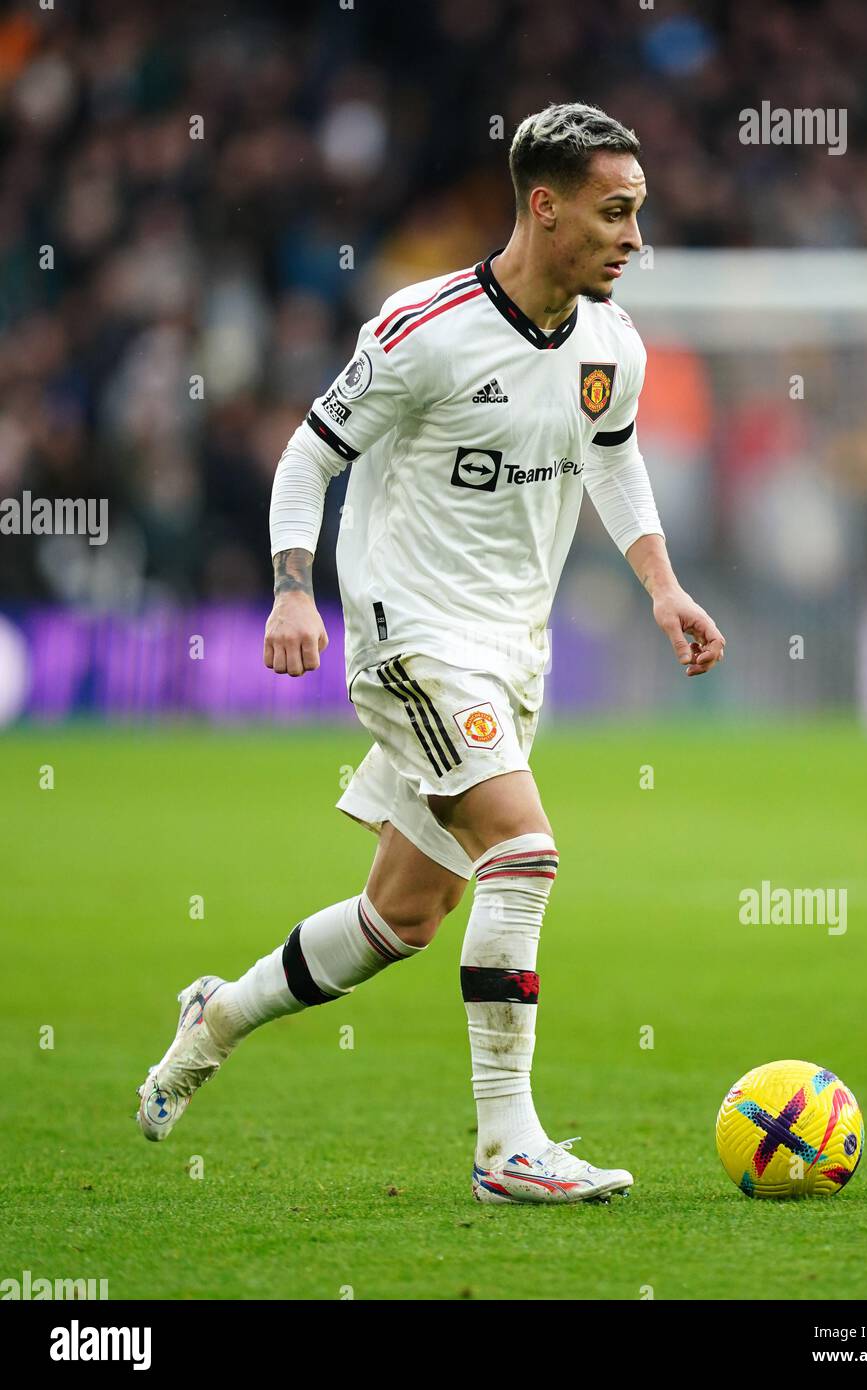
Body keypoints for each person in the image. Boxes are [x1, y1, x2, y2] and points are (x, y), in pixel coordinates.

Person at [135, 101, 725, 1204]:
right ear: (543, 206)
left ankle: (213, 1017)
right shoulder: (424, 328)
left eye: (637, 215)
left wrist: (662, 586)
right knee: (527, 852)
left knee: (399, 918)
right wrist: (289, 589)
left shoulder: (612, 344)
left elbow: (611, 462)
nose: (633, 240)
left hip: (512, 649)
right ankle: (507, 1146)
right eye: (615, 213)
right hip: (411, 636)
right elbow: (309, 458)